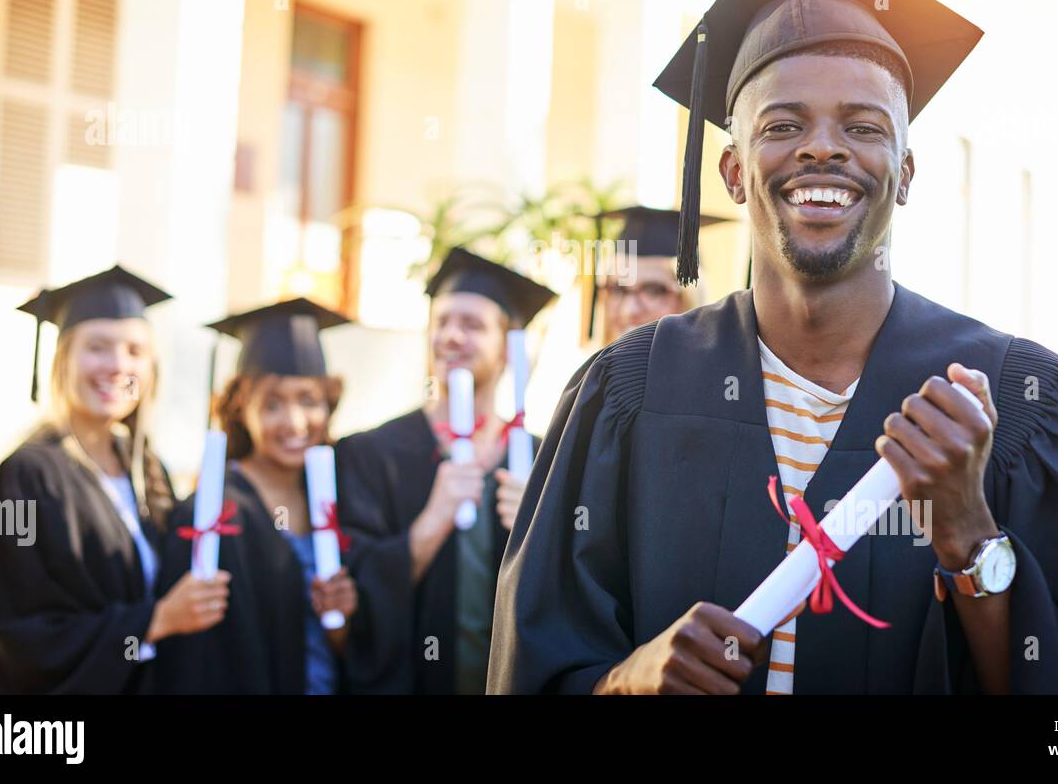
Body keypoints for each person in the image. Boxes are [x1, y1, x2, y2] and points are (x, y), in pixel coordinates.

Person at [489, 0, 1058, 695]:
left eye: (862, 125)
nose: (821, 147)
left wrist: (968, 531)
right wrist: (626, 682)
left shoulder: (1020, 405)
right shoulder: (629, 392)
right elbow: (530, 669)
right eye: (783, 124)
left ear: (906, 172)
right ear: (735, 170)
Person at [0, 265, 229, 694]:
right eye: (97, 347)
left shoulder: (149, 474)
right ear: (64, 360)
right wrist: (155, 622)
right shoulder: (21, 478)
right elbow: (15, 637)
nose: (117, 365)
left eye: (135, 351)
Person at [337, 247, 556, 694]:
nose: (451, 337)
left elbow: (567, 599)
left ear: (507, 346)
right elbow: (347, 600)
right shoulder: (370, 453)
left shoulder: (542, 459)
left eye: (472, 325)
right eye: (442, 322)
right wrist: (432, 521)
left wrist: (538, 532)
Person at [153, 298, 362, 694]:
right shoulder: (213, 515)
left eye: (308, 400)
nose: (294, 422)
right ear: (240, 409)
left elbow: (351, 646)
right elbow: (195, 662)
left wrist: (342, 619)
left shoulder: (342, 498)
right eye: (271, 405)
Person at [588, 206, 730, 346]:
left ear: (690, 297)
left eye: (653, 290)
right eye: (618, 290)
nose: (629, 310)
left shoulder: (717, 369)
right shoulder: (597, 367)